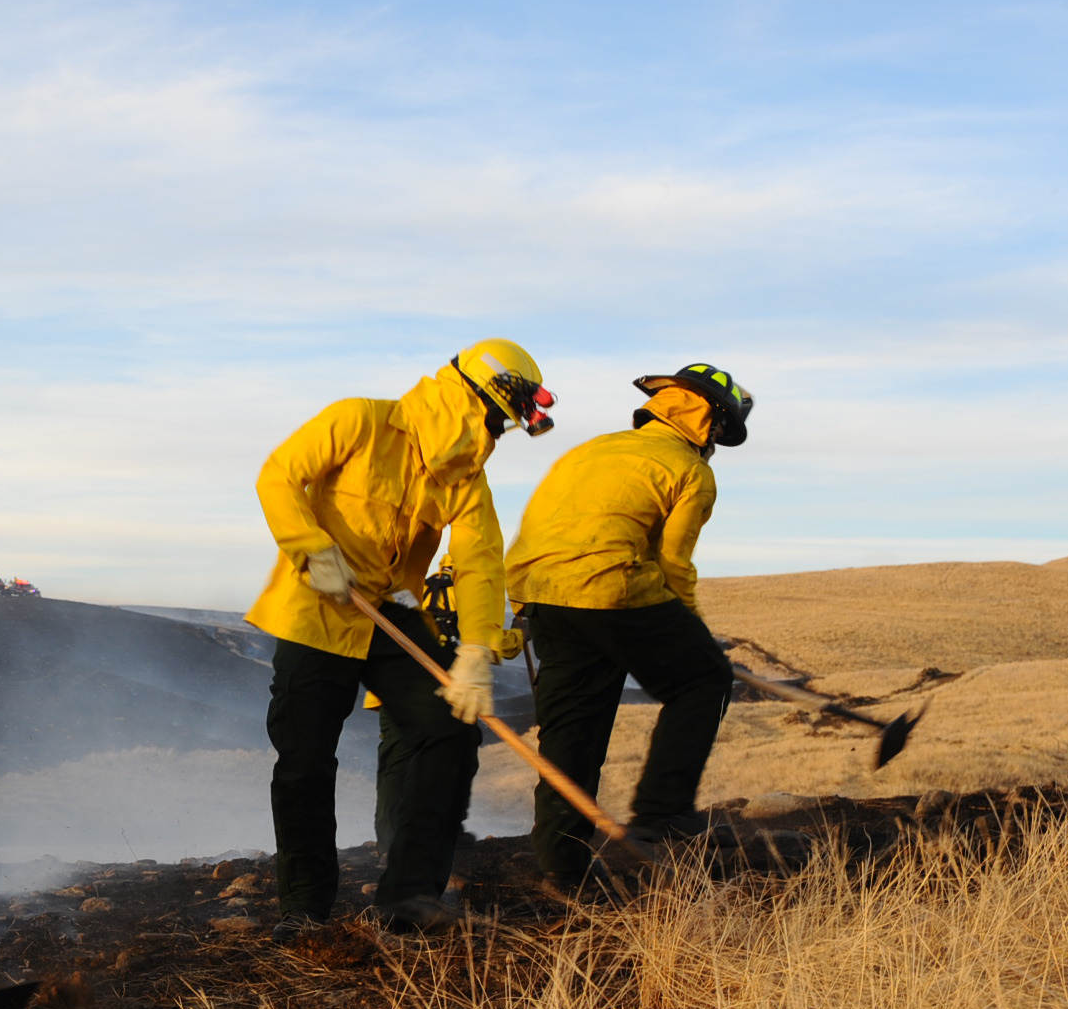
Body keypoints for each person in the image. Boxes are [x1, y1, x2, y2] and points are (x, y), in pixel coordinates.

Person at [246, 341, 553, 938]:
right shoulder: (359, 420)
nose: (497, 434)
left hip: (389, 611)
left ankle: (411, 895)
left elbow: (481, 563)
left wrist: (476, 651)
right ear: (475, 398)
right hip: (317, 606)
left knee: (449, 728)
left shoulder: (465, 479)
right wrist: (311, 547)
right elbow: (279, 475)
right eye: (499, 420)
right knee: (305, 760)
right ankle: (303, 908)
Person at [504, 363, 752, 887]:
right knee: (703, 680)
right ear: (707, 422)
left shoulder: (591, 450)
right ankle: (663, 813)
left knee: (573, 731)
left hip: (541, 595)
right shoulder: (691, 470)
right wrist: (693, 634)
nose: (716, 441)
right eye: (720, 430)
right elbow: (674, 566)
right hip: (613, 586)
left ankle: (562, 868)